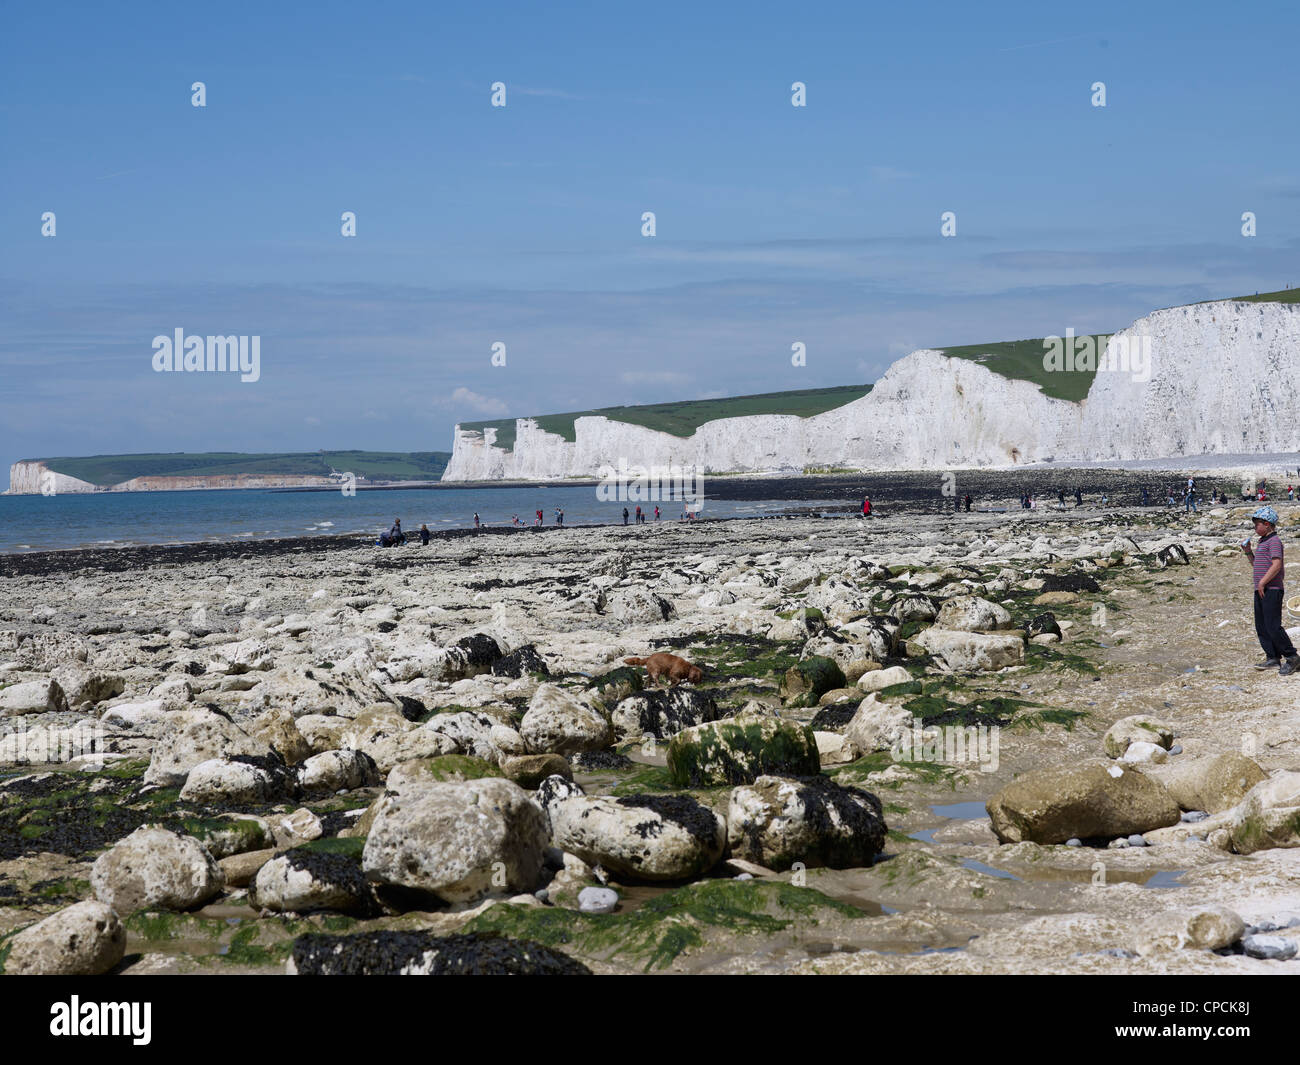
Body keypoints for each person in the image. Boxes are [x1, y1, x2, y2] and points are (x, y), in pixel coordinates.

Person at [1241, 507, 1300, 674]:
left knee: (1273, 625)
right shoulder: (1263, 542)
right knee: (1262, 626)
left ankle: (1292, 657)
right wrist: (1248, 553)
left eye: (1256, 524)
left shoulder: (1274, 541)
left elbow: (1277, 565)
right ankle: (1272, 657)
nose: (1254, 528)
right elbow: (1257, 565)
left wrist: (1263, 583)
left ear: (1267, 524)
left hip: (1272, 589)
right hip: (1261, 588)